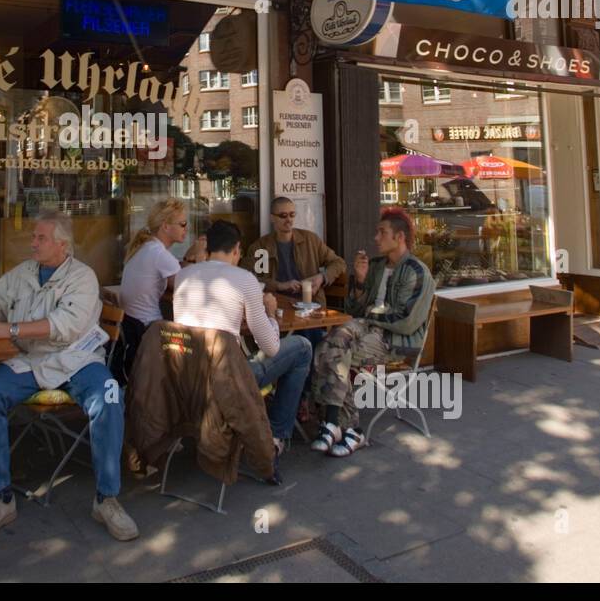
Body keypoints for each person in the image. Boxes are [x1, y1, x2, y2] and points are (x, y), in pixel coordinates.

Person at [0, 209, 138, 544]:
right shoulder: (24, 272)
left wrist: (9, 328)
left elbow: (65, 327)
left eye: (40, 238)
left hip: (76, 359)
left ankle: (107, 499)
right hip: (30, 361)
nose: (32, 243)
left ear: (62, 245)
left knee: (109, 393)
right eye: (33, 236)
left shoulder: (83, 277)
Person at [172, 220, 313, 478]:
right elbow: (270, 346)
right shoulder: (244, 279)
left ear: (208, 247)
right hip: (230, 380)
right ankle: (276, 435)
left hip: (187, 379)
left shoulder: (183, 275)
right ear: (237, 250)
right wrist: (270, 313)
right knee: (302, 347)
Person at [309, 208, 435, 458]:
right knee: (327, 345)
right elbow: (352, 309)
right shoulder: (376, 266)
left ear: (399, 237)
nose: (376, 238)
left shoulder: (417, 272)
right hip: (364, 329)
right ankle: (345, 428)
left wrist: (368, 314)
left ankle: (340, 425)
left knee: (335, 351)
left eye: (382, 232)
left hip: (395, 341)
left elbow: (405, 322)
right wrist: (360, 280)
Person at [115, 198, 207, 384]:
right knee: (204, 344)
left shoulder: (146, 247)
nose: (186, 229)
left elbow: (176, 271)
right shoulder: (158, 254)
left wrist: (189, 256)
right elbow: (192, 285)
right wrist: (198, 257)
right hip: (150, 333)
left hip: (133, 328)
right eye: (182, 224)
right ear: (165, 227)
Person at [242, 196, 347, 347]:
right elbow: (254, 280)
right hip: (278, 308)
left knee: (309, 328)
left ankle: (310, 367)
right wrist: (280, 285)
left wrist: (322, 277)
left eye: (292, 215)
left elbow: (338, 263)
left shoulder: (310, 240)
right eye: (283, 216)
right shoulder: (262, 248)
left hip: (309, 306)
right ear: (273, 218)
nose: (289, 220)